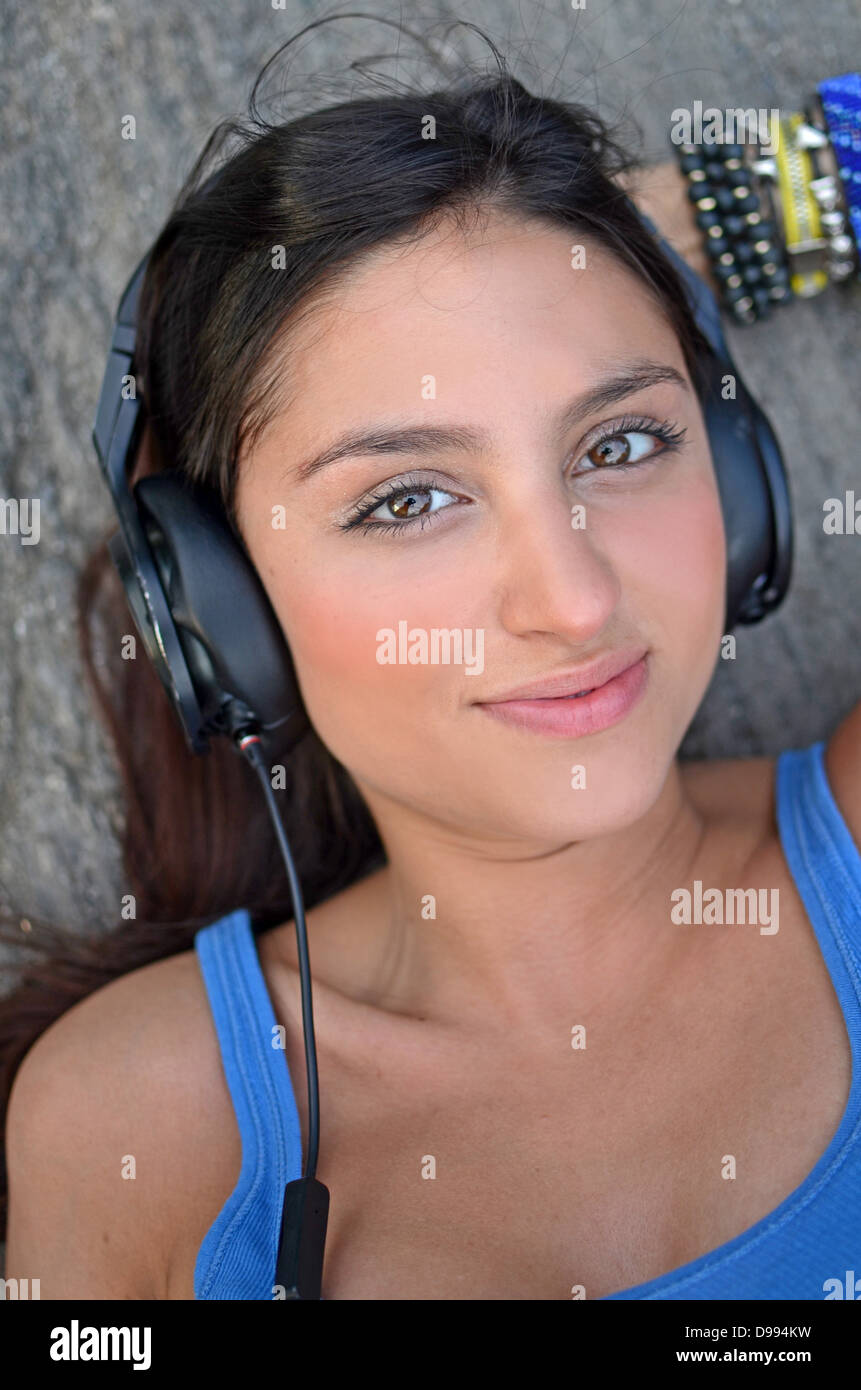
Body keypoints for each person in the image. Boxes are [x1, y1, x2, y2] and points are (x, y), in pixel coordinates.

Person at [2, 37, 860, 1301]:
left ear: (736, 476)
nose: (574, 599)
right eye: (407, 500)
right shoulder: (137, 1117)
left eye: (623, 439)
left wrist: (686, 226)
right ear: (215, 608)